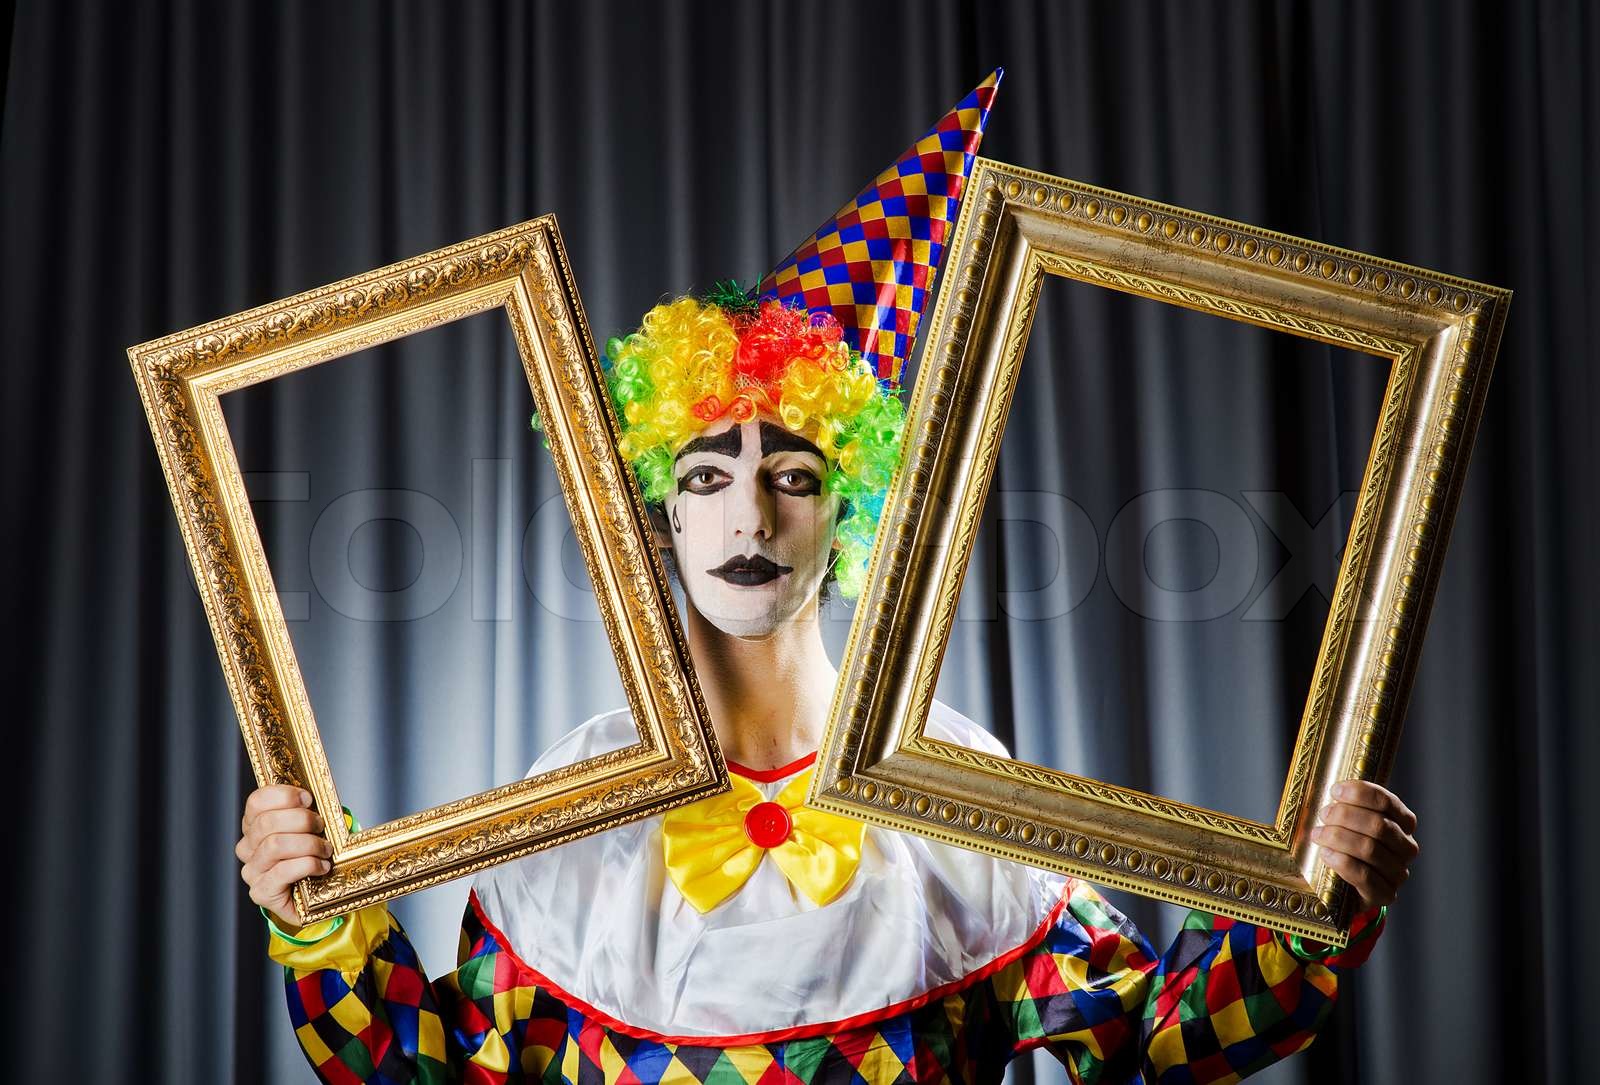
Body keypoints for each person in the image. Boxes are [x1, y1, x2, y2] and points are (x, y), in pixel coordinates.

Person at [236, 71, 1419, 1084]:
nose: (749, 512)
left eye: (793, 474)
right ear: (653, 521)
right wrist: (322, 919)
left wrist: (1310, 902)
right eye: (705, 478)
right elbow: (439, 1068)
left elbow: (1151, 1040)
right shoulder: (572, 801)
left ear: (846, 512)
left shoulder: (959, 787)